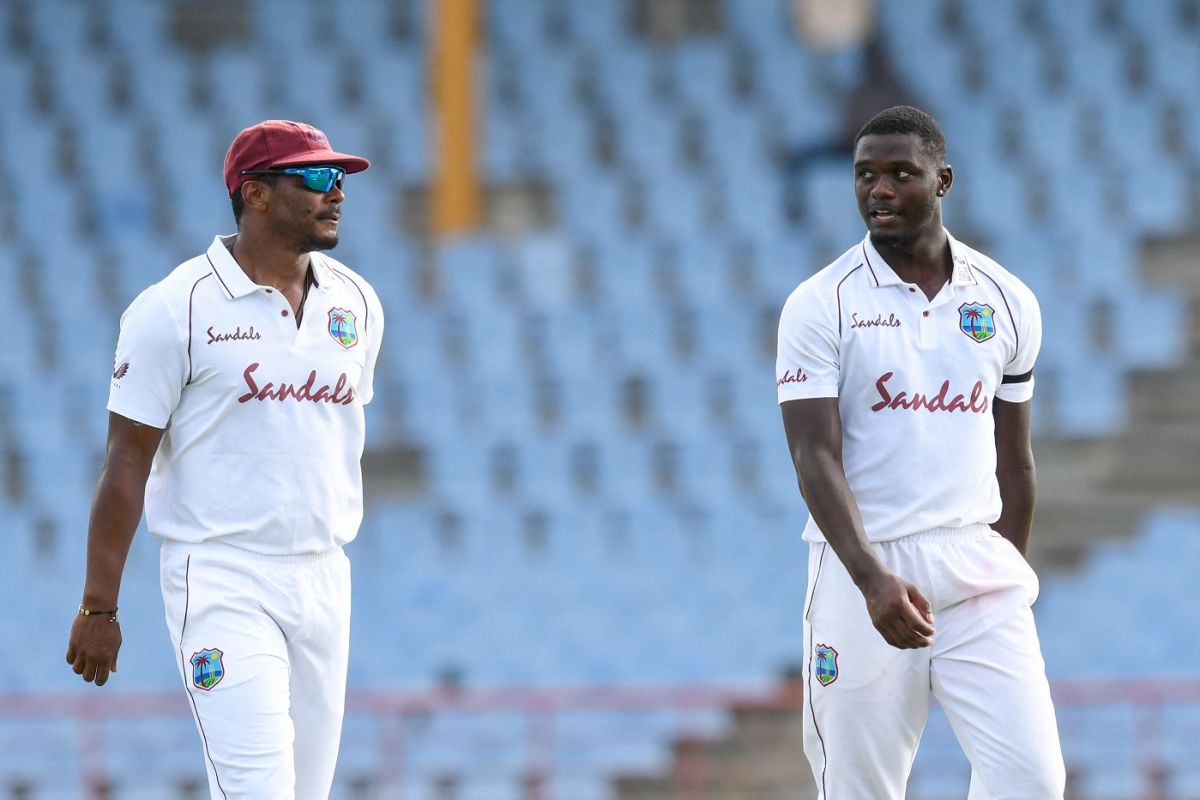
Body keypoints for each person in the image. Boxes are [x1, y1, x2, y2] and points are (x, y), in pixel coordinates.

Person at [65, 120, 384, 799]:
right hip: (221, 577)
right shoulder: (174, 309)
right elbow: (126, 461)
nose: (338, 195)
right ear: (256, 194)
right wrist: (100, 608)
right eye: (319, 179)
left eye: (341, 181)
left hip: (325, 577)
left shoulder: (356, 303)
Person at [776, 105, 1065, 798]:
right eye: (865, 175)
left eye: (901, 173)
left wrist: (1005, 575)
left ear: (943, 182)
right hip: (862, 569)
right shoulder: (821, 305)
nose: (879, 189)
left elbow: (1015, 462)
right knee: (860, 788)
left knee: (1032, 781)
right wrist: (872, 578)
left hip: (974, 567)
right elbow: (813, 456)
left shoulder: (1006, 301)